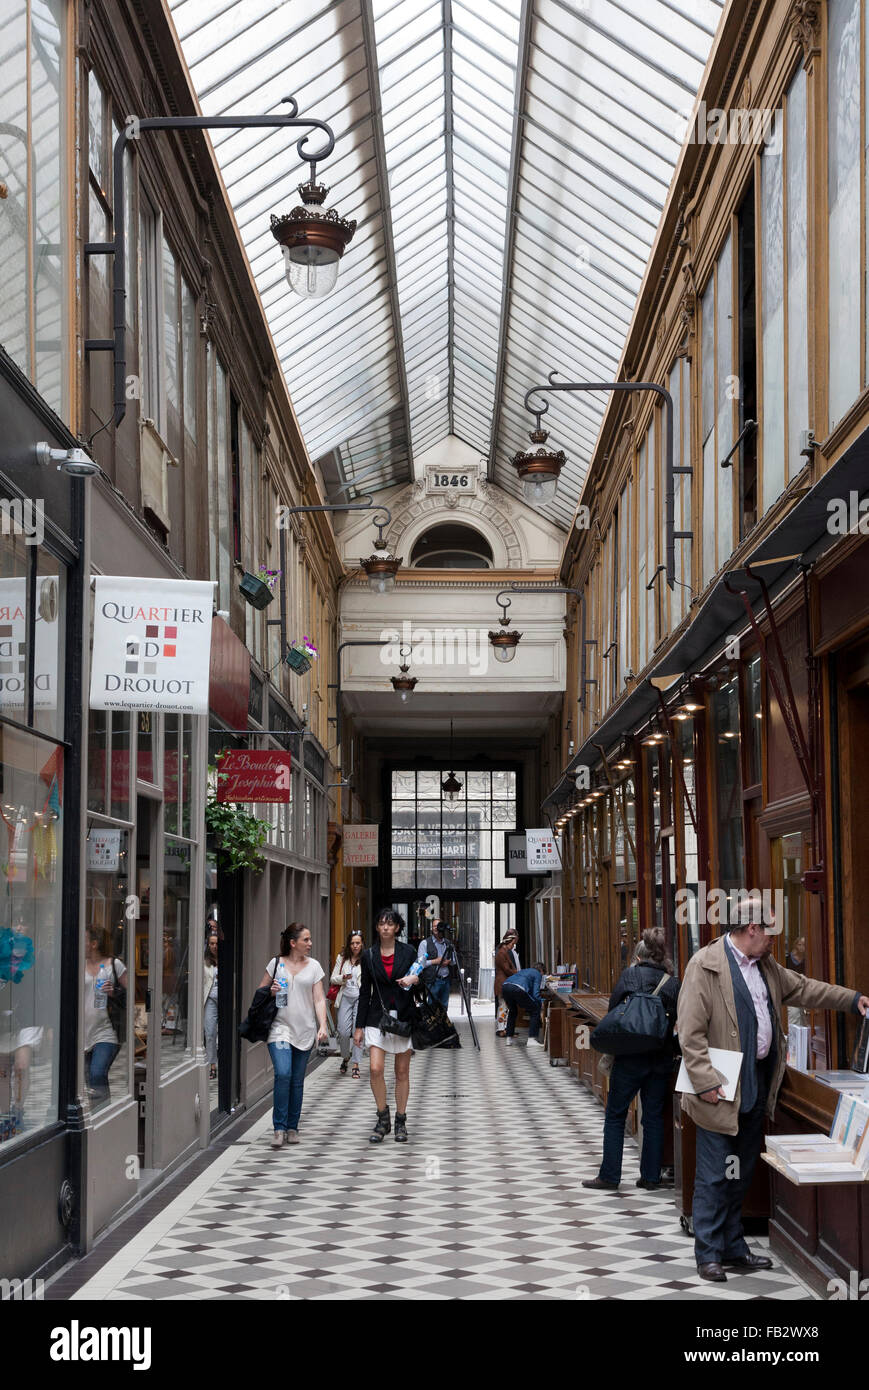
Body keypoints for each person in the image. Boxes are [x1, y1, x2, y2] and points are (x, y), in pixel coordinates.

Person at [677, 893, 869, 1283]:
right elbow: (690, 1034)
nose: (773, 940)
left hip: (756, 1086)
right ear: (752, 929)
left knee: (739, 1171)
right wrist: (706, 1082)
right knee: (715, 1174)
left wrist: (853, 1000)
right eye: (770, 932)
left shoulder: (766, 966)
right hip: (719, 1091)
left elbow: (806, 989)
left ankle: (733, 1246)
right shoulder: (705, 966)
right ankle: (708, 1253)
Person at [582, 928, 680, 1192]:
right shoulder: (672, 983)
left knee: (615, 1115)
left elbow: (614, 1012)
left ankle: (610, 1176)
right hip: (659, 1058)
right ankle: (650, 1177)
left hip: (628, 1058)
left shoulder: (630, 975)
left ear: (639, 956)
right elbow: (677, 1021)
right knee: (653, 1117)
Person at [258, 923, 328, 1149]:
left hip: (305, 1030)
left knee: (297, 1081)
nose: (310, 943)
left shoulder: (314, 966)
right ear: (292, 943)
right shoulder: (276, 964)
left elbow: (319, 999)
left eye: (309, 939)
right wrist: (271, 992)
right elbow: (260, 992)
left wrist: (323, 1025)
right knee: (283, 1073)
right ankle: (278, 1128)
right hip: (279, 1028)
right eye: (306, 940)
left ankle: (292, 1127)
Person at [354, 909, 419, 1143]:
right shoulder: (369, 955)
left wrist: (414, 979)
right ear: (377, 927)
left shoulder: (409, 952)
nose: (385, 927)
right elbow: (364, 992)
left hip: (403, 1016)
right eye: (381, 923)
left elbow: (423, 981)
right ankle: (383, 1118)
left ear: (397, 928)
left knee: (401, 1072)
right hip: (377, 1017)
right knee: (375, 1069)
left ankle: (401, 1120)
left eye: (390, 924)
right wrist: (359, 1027)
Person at [84, 926, 127, 1107]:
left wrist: (114, 992)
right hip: (82, 1031)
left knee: (97, 1073)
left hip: (107, 1030)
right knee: (89, 1078)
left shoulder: (114, 965)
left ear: (94, 944)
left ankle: (102, 1115)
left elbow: (132, 994)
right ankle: (99, 1115)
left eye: (84, 939)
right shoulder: (79, 964)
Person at [331, 929, 364, 1078]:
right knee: (343, 1031)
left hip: (360, 998)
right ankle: (346, 1056)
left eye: (358, 943)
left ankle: (356, 1063)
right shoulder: (342, 958)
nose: (355, 946)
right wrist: (343, 977)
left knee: (357, 1030)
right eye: (352, 943)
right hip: (345, 996)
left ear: (362, 944)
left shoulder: (366, 958)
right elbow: (333, 978)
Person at [502, 961, 545, 1047]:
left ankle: (509, 1038)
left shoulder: (525, 970)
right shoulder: (537, 974)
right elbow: (536, 993)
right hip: (518, 989)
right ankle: (532, 1039)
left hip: (505, 986)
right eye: (543, 973)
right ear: (541, 970)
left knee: (512, 1011)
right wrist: (541, 1003)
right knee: (535, 1010)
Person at [414, 918, 452, 1010]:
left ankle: (443, 1020)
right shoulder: (425, 943)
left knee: (444, 1007)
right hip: (433, 980)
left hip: (446, 979)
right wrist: (435, 961)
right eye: (434, 926)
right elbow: (420, 964)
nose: (436, 928)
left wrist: (449, 961)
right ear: (431, 928)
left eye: (438, 926)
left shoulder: (447, 943)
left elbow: (453, 960)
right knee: (431, 1008)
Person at [494, 930, 519, 1037]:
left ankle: (506, 1029)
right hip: (502, 983)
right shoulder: (502, 952)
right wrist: (518, 973)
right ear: (508, 941)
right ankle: (501, 1029)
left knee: (506, 1006)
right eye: (513, 943)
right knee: (503, 1006)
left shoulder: (504, 951)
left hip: (505, 982)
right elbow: (506, 969)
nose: (513, 946)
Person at [203, 927, 220, 1081]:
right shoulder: (204, 962)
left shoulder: (228, 959)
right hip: (210, 999)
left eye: (216, 943)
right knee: (210, 1033)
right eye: (211, 944)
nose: (214, 946)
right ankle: (212, 1066)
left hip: (225, 1000)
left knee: (224, 1034)